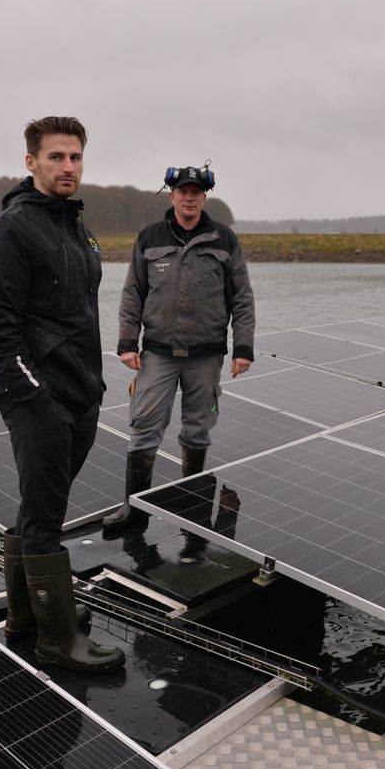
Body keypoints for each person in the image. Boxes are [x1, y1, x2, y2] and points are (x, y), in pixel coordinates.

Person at [0, 116, 123, 673]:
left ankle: (24, 618)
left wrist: (91, 386)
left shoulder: (75, 227)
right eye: (56, 157)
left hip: (81, 391)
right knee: (45, 519)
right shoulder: (13, 230)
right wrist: (36, 397)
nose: (68, 167)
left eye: (76, 157)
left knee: (40, 508)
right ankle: (57, 641)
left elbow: (79, 315)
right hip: (40, 397)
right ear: (30, 162)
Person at [103, 164, 256, 528]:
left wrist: (243, 348)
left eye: (196, 193)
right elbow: (132, 293)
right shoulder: (149, 237)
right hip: (157, 353)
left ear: (205, 197)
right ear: (171, 195)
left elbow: (242, 298)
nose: (189, 198)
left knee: (197, 429)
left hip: (206, 355)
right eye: (183, 192)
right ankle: (133, 509)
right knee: (143, 427)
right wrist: (127, 341)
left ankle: (195, 504)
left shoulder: (224, 240)